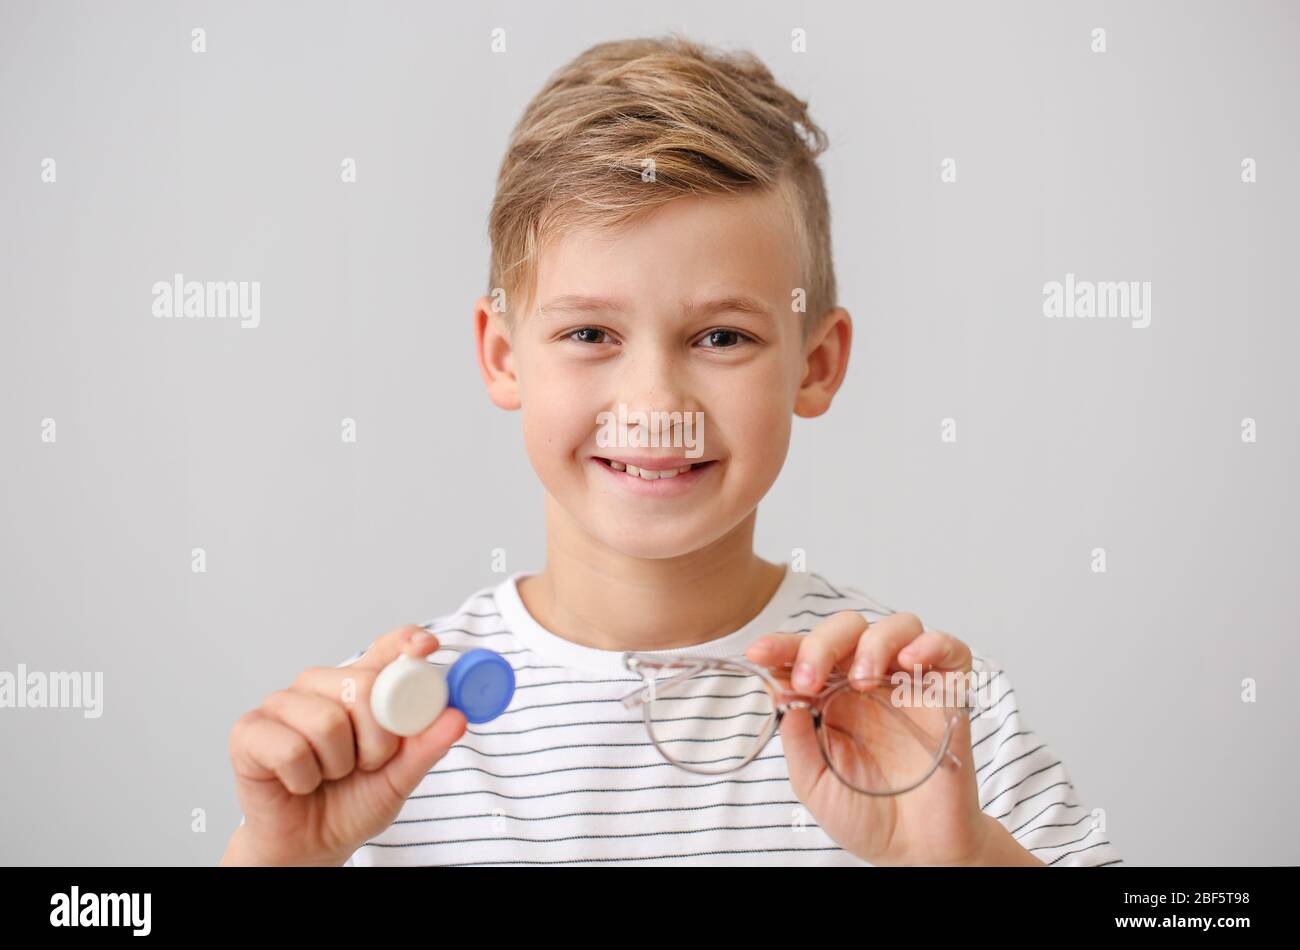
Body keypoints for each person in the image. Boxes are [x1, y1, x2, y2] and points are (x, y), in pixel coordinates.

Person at [220, 33, 1120, 867]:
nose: (654, 405)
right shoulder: (383, 737)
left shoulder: (925, 719)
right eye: (589, 335)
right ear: (503, 356)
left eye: (722, 338)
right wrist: (279, 861)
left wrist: (960, 861)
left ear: (816, 365)